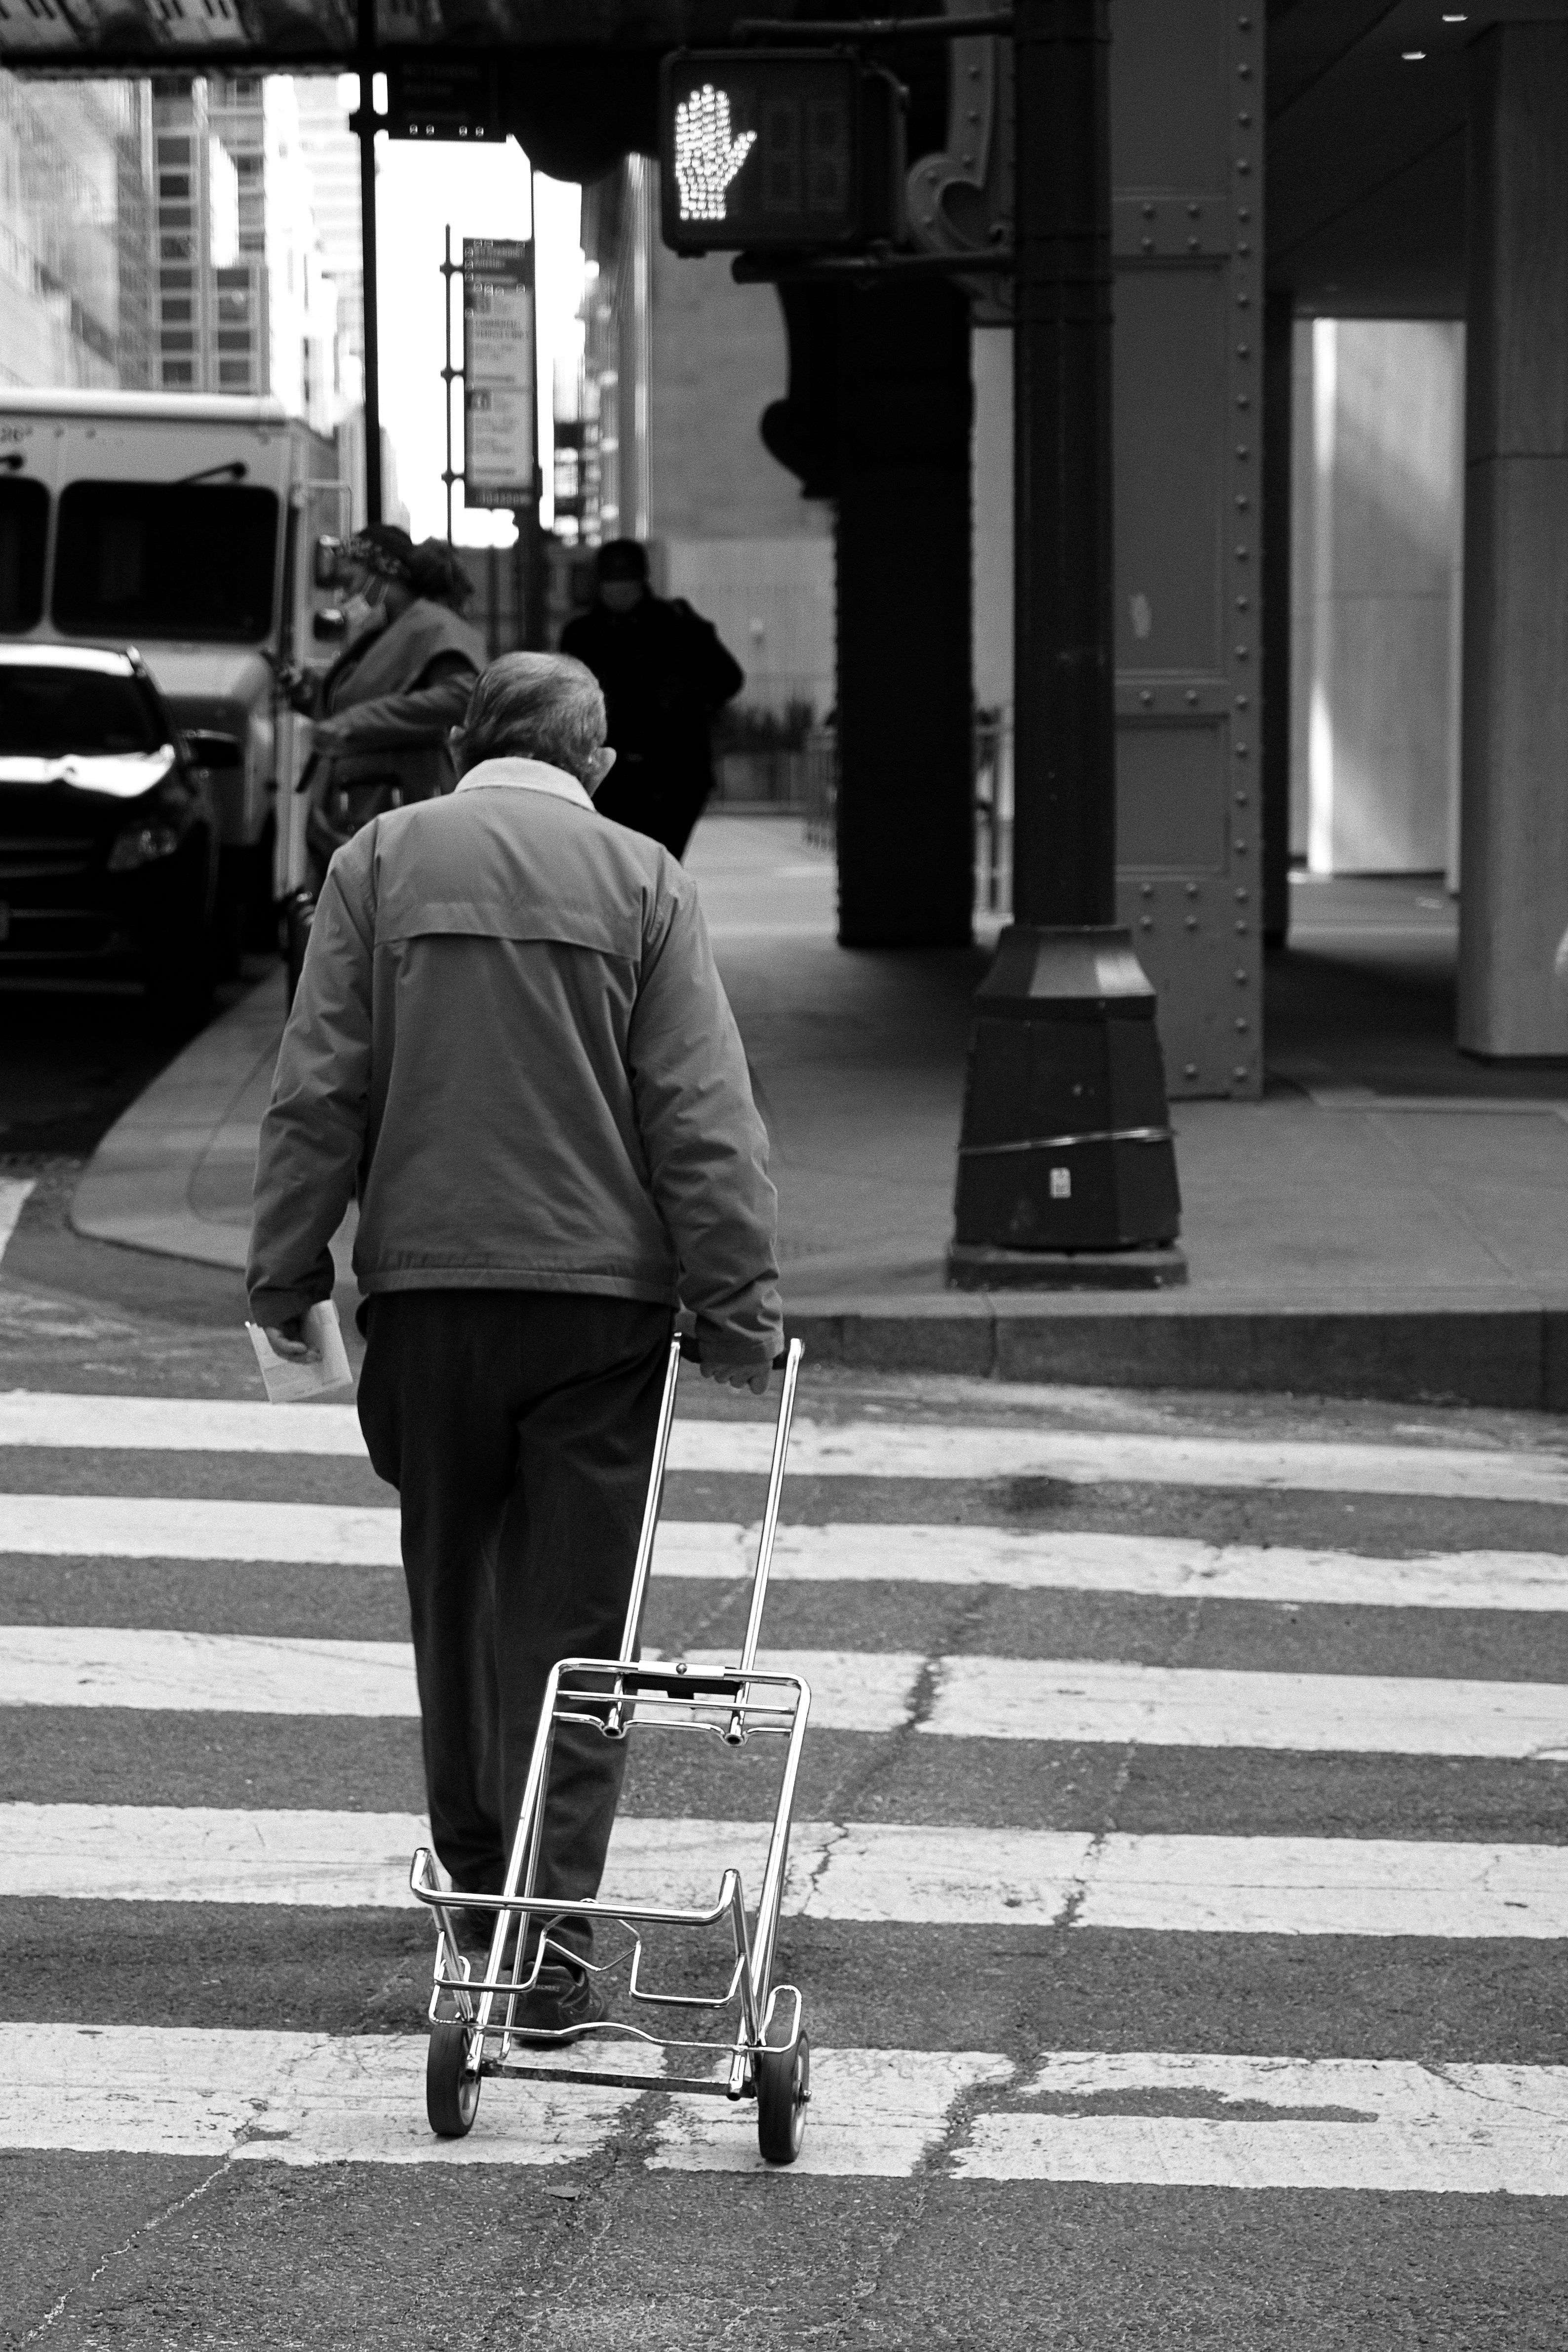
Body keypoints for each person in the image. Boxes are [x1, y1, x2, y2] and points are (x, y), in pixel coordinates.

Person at [246, 650, 782, 2039]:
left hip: (429, 1300)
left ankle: (477, 1907)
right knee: (576, 1637)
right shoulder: (644, 881)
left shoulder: (379, 861)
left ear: (460, 749)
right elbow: (698, 1114)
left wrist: (285, 1267)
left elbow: (318, 1091)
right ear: (593, 760)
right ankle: (546, 1945)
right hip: (599, 1318)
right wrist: (737, 1305)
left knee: (456, 1612)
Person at [296, 525, 485, 889]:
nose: (346, 590)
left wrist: (357, 721)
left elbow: (464, 696)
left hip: (396, 796)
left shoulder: (434, 625)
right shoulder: (384, 630)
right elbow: (361, 699)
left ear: (382, 571)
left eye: (351, 577)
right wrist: (307, 694)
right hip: (360, 799)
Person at [560, 539, 744, 860]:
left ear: (642, 578)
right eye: (611, 578)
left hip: (672, 770)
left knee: (658, 865)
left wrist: (687, 696)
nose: (618, 586)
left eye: (625, 576)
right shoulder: (583, 633)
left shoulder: (677, 625)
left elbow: (728, 678)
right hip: (607, 772)